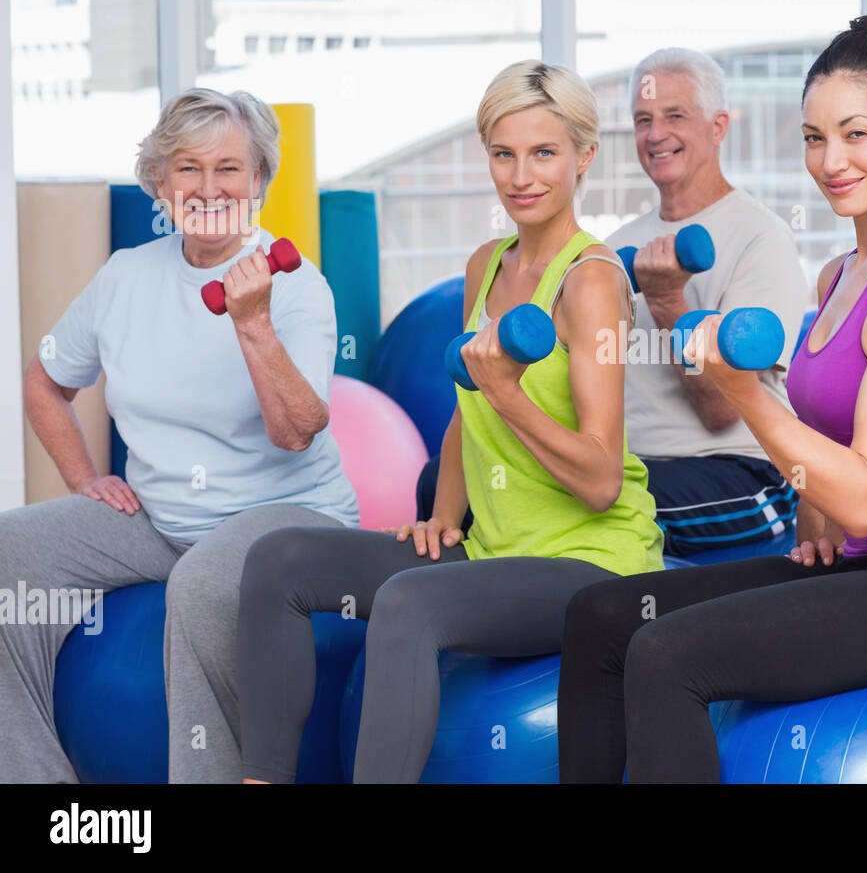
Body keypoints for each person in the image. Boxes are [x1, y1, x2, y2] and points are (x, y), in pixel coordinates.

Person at [557, 17, 867, 784]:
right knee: (602, 618)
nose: (830, 162)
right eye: (814, 138)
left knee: (667, 654)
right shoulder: (838, 275)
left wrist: (744, 392)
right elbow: (832, 445)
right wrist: (813, 518)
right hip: (863, 565)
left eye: (854, 134)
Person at [236, 60, 663, 784]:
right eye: (504, 153)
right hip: (493, 550)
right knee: (279, 563)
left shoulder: (591, 282)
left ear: (584, 157)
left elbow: (597, 478)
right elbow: (470, 406)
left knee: (408, 603)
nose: (521, 176)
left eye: (544, 153)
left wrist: (507, 394)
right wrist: (443, 514)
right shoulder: (485, 265)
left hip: (589, 565)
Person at [0, 88, 359, 783]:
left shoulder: (297, 286)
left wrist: (252, 322)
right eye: (187, 167)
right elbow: (44, 382)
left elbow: (297, 432)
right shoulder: (126, 277)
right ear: (159, 182)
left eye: (230, 168)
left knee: (200, 585)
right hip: (161, 520)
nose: (208, 186)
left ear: (259, 181)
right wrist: (84, 480)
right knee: (6, 552)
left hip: (286, 522)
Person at [416, 48, 808, 558]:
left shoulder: (762, 237)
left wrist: (667, 298)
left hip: (732, 466)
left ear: (717, 127)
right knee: (441, 485)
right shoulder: (620, 241)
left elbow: (720, 412)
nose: (656, 133)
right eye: (643, 119)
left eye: (675, 116)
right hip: (631, 458)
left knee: (586, 496)